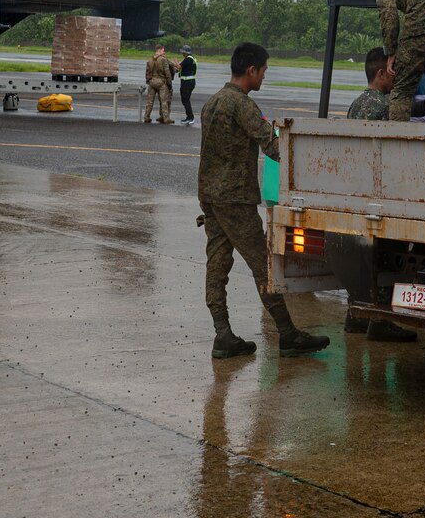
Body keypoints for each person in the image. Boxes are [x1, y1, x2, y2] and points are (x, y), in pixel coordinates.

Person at [198, 43, 331, 359]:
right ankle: (287, 334)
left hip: (210, 196)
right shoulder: (242, 105)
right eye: (264, 71)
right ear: (251, 70)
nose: (264, 76)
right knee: (263, 266)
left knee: (217, 264)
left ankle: (223, 334)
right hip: (235, 198)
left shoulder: (212, 102)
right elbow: (272, 145)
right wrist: (313, 166)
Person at [346, 47, 397, 120]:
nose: (395, 76)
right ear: (382, 74)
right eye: (392, 71)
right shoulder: (384, 106)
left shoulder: (355, 103)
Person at [141, 44, 176, 123]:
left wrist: (148, 81)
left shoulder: (150, 60)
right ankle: (166, 118)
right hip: (161, 82)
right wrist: (169, 83)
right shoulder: (163, 60)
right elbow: (167, 72)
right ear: (159, 50)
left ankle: (146, 117)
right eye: (163, 50)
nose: (164, 52)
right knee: (164, 101)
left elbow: (147, 72)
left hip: (152, 82)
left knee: (150, 101)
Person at [177, 45, 199, 125]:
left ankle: (190, 118)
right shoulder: (192, 58)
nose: (182, 54)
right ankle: (189, 117)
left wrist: (175, 63)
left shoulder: (188, 59)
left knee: (185, 100)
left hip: (187, 82)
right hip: (189, 82)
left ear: (186, 52)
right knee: (185, 100)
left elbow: (179, 66)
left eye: (183, 52)